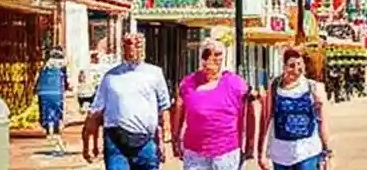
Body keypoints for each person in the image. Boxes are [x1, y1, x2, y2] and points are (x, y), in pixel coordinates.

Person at [83, 33, 172, 169]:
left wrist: (165, 140)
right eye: (129, 45)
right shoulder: (110, 77)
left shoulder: (155, 74)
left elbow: (164, 108)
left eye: (138, 45)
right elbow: (96, 111)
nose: (134, 49)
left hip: (146, 142)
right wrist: (87, 144)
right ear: (123, 48)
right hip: (116, 143)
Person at [172, 38, 253, 170]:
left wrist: (250, 144)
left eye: (217, 54)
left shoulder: (235, 83)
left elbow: (250, 112)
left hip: (226, 153)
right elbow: (179, 111)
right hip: (194, 153)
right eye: (207, 54)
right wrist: (175, 139)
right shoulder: (188, 83)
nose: (212, 58)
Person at [257, 47, 332, 170]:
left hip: (308, 152)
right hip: (280, 154)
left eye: (299, 64)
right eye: (292, 65)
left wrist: (327, 152)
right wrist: (261, 153)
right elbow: (265, 121)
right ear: (284, 67)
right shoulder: (275, 87)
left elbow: (322, 122)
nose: (296, 69)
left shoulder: (313, 87)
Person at [34, 45, 70, 155]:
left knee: (45, 113)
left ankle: (49, 130)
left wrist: (36, 89)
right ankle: (55, 132)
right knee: (57, 113)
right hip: (57, 93)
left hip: (44, 92)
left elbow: (38, 79)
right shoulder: (62, 66)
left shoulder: (44, 66)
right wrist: (66, 87)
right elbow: (65, 81)